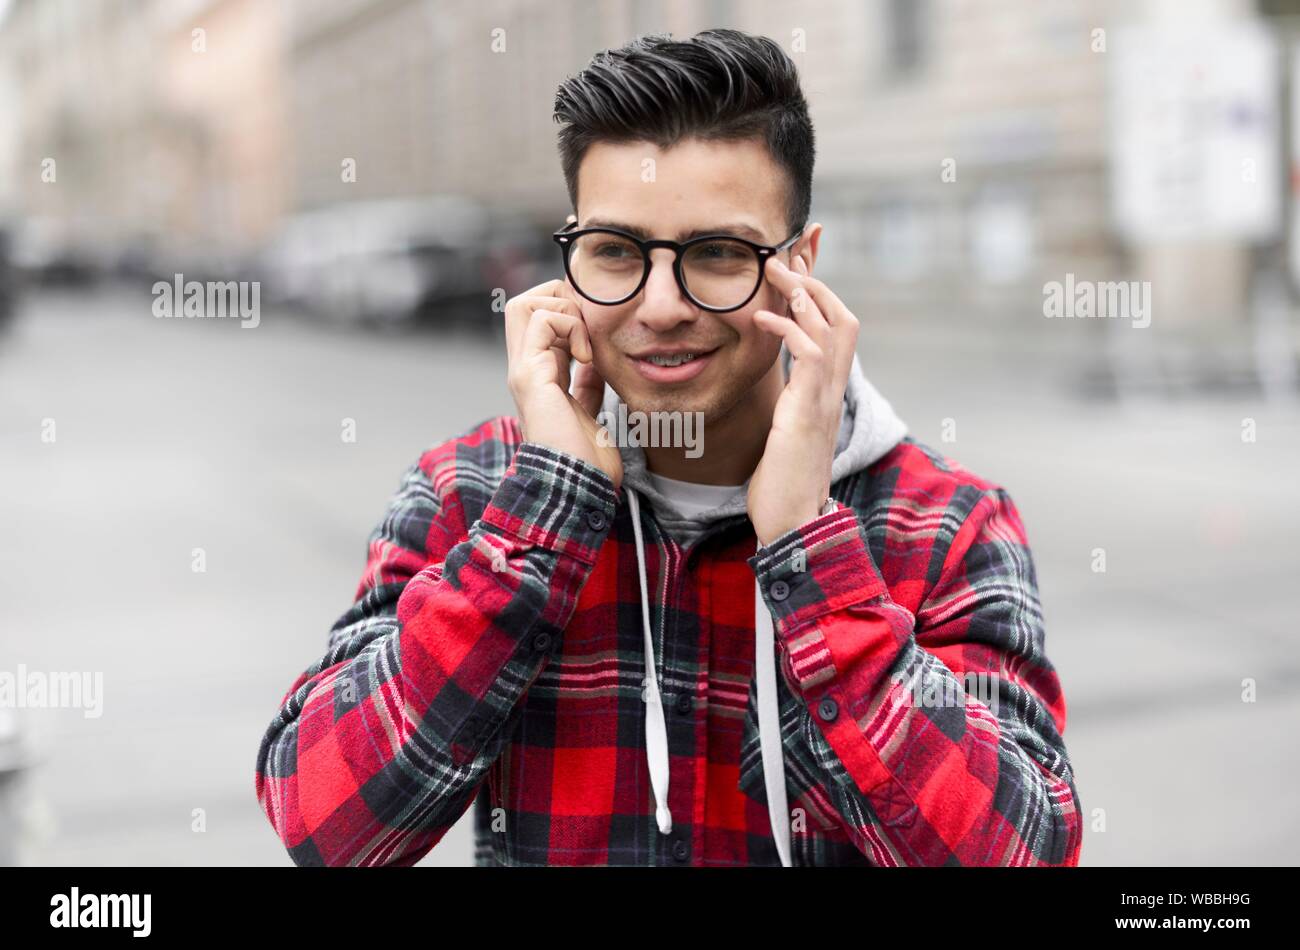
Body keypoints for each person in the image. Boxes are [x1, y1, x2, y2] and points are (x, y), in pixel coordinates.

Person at [254, 28, 1083, 867]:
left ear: (802, 263)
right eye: (615, 251)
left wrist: (808, 551)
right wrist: (542, 521)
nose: (658, 307)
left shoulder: (941, 522)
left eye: (716, 254)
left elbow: (1023, 854)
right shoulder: (472, 492)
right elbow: (325, 826)